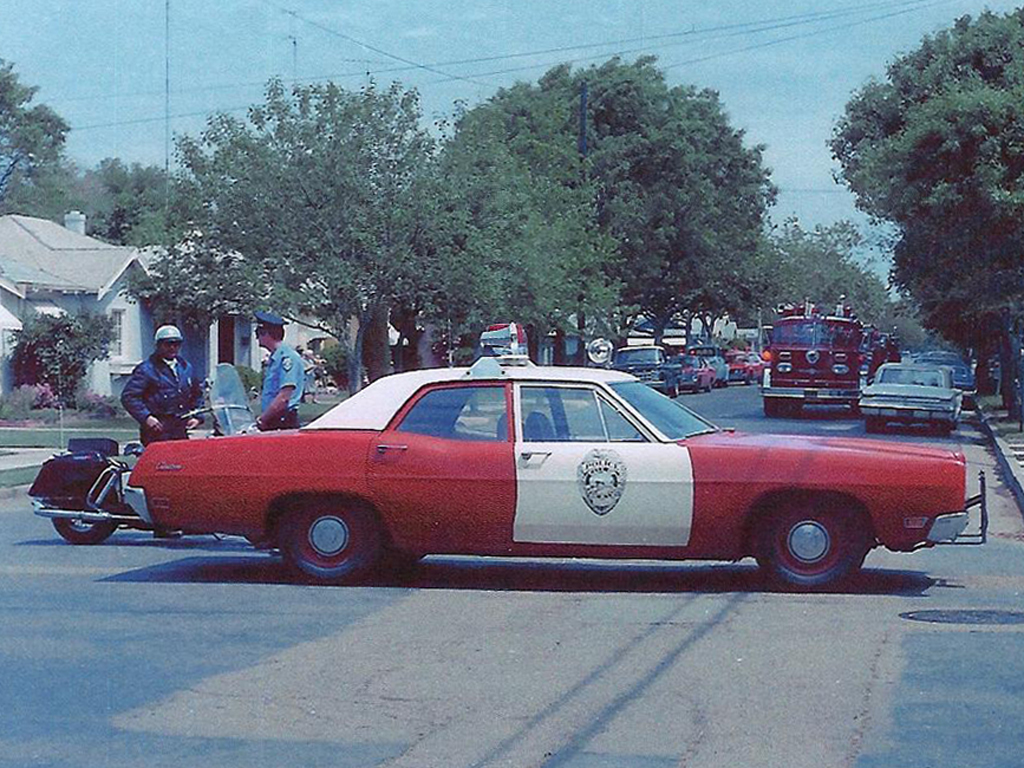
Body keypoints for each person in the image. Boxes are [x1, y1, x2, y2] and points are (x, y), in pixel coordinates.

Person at [121, 325, 204, 446]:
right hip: (157, 429)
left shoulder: (186, 367)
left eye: (176, 344)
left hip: (180, 428)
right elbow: (129, 397)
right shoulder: (147, 369)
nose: (172, 348)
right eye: (168, 344)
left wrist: (197, 417)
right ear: (158, 345)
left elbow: (197, 394)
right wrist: (147, 418)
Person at [254, 310, 305, 430]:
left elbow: (283, 397)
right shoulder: (275, 359)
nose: (256, 338)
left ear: (265, 333)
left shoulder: (287, 359)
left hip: (283, 421)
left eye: (258, 333)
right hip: (273, 420)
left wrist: (262, 419)